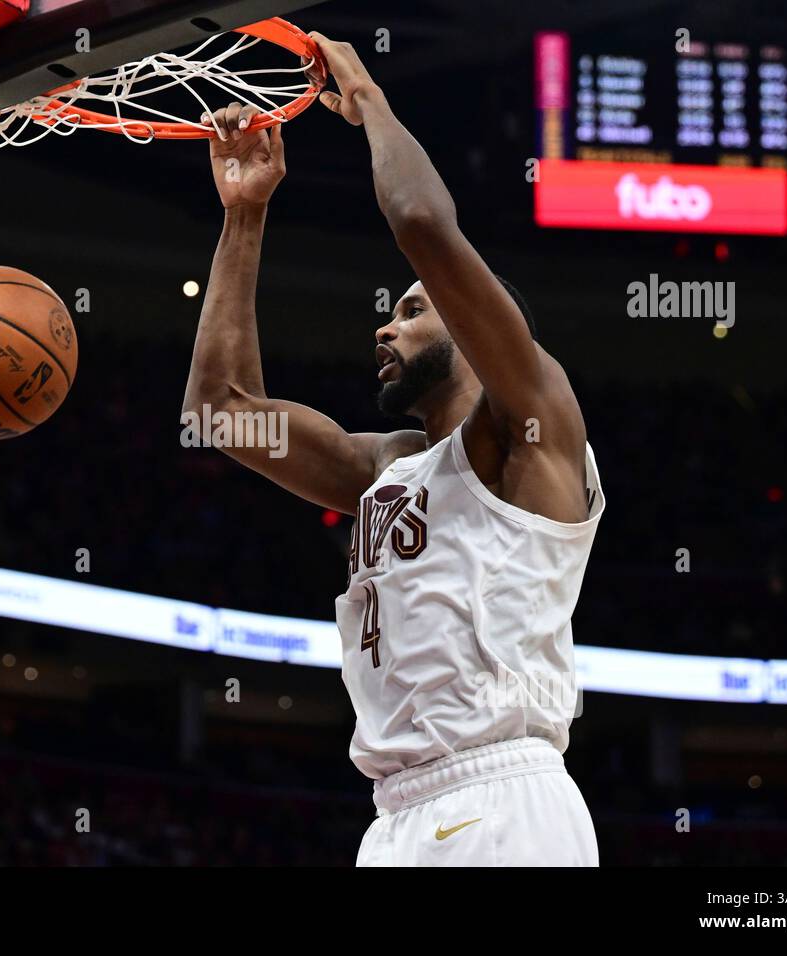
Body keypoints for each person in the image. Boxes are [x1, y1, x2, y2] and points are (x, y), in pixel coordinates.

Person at [181, 33, 606, 866]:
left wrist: (367, 96)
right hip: (396, 814)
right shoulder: (386, 465)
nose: (386, 322)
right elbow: (219, 412)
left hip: (502, 795)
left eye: (413, 309)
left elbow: (419, 220)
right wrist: (244, 213)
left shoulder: (533, 433)